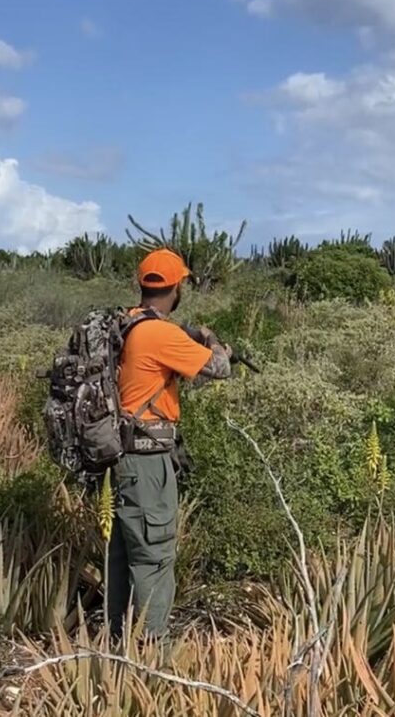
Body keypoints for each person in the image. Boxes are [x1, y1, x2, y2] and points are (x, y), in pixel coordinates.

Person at [107, 247, 231, 640]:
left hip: (122, 457)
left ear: (141, 284)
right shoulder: (159, 333)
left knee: (124, 552)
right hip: (147, 460)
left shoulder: (126, 323)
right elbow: (219, 368)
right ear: (176, 288)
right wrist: (211, 340)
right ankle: (152, 651)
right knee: (154, 553)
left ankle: (118, 641)